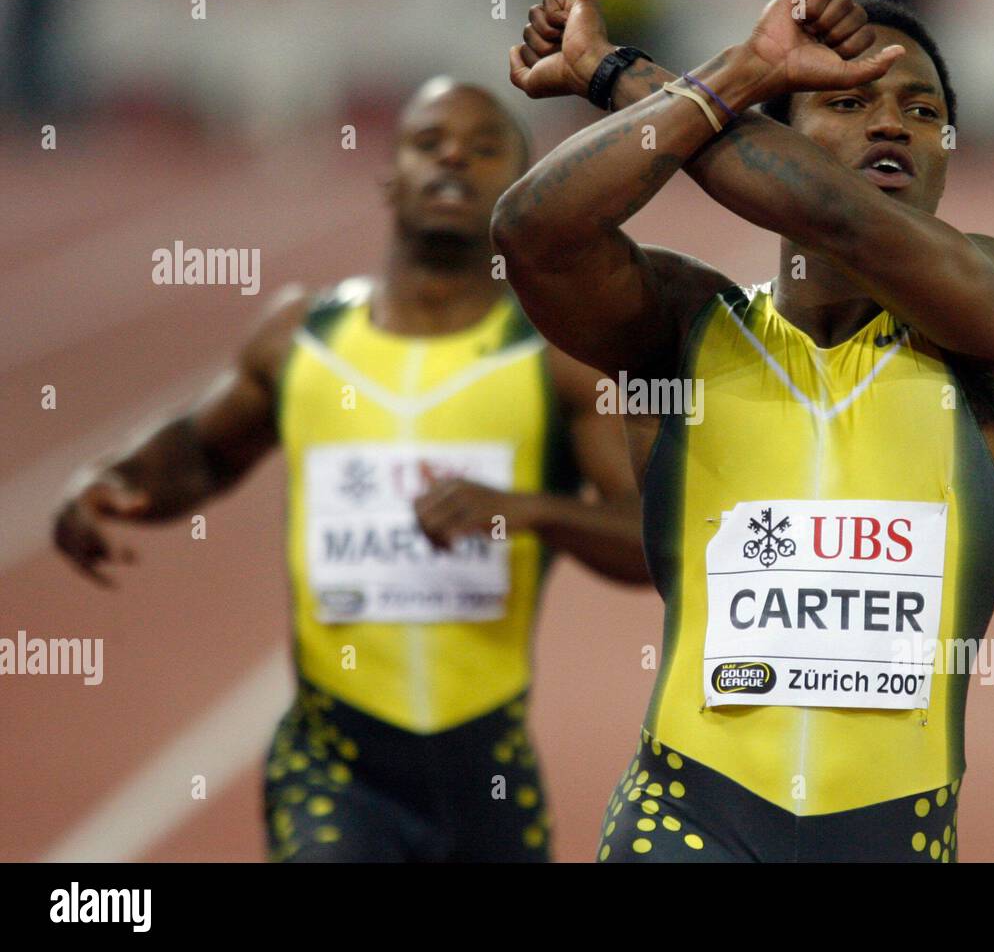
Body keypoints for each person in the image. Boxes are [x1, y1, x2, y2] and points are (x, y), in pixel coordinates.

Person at [492, 0, 994, 862]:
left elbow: (832, 215)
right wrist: (746, 69)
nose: (890, 125)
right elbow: (533, 232)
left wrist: (613, 74)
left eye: (922, 110)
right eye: (846, 100)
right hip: (684, 824)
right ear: (772, 134)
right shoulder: (684, 334)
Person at [53, 77, 648, 863]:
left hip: (488, 766)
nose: (452, 162)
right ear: (389, 173)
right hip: (332, 762)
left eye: (482, 149)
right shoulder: (301, 338)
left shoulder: (554, 362)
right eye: (428, 144)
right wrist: (104, 480)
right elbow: (201, 450)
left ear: (521, 189)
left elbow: (650, 540)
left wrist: (528, 510)